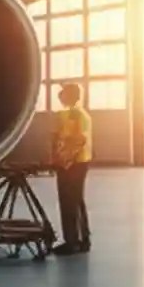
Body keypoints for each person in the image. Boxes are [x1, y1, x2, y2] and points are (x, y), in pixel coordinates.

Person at [52, 83, 92, 255]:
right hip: (80, 161)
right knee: (76, 200)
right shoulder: (81, 112)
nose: (60, 97)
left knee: (68, 201)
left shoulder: (73, 114)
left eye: (62, 94)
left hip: (72, 163)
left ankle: (72, 241)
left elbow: (75, 140)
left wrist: (64, 160)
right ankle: (83, 239)